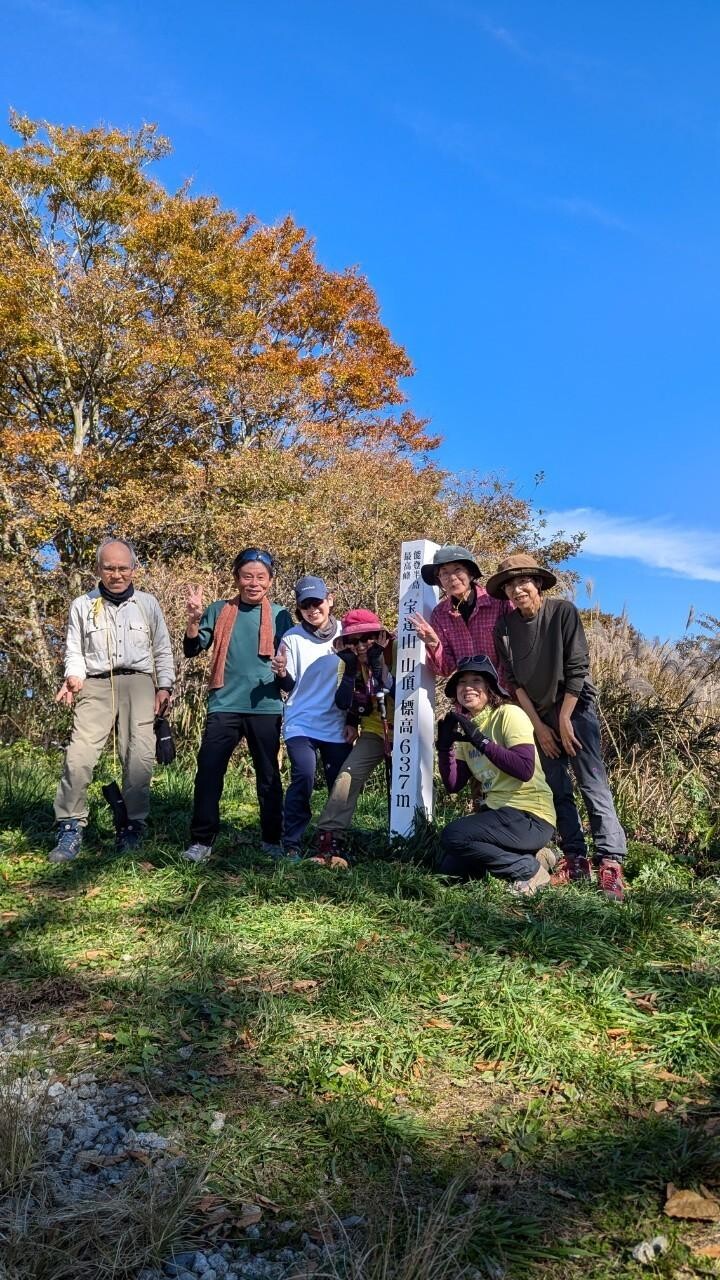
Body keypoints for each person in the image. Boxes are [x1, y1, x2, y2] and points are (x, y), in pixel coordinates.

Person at [487, 553, 627, 901]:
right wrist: (540, 727)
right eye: (509, 585)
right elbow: (513, 680)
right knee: (556, 786)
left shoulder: (562, 612)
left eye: (523, 582)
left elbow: (577, 667)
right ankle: (575, 857)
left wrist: (564, 719)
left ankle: (610, 861)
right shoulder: (503, 628)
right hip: (538, 716)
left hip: (574, 708)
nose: (517, 590)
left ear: (537, 584)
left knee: (592, 782)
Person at [50, 537, 175, 863]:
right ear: (98, 569)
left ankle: (132, 826)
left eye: (123, 568)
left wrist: (165, 687)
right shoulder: (82, 605)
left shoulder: (148, 604)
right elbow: (74, 650)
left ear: (134, 569)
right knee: (79, 755)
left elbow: (162, 648)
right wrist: (73, 676)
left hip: (139, 683)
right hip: (95, 683)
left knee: (139, 757)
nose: (116, 574)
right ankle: (70, 826)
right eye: (109, 568)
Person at [182, 548, 293, 863]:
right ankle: (202, 841)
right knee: (208, 772)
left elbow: (291, 663)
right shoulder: (219, 610)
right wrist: (193, 620)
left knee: (269, 776)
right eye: (247, 576)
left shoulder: (282, 615)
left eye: (261, 577)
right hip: (224, 704)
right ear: (236, 578)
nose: (253, 583)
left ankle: (272, 839)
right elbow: (193, 648)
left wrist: (285, 670)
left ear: (270, 581)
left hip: (267, 706)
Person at [437, 656, 557, 895]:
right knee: (450, 869)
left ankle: (529, 870)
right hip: (498, 813)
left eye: (476, 680)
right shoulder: (467, 729)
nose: (467, 687)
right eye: (461, 682)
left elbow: (524, 769)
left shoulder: (508, 714)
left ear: (490, 688)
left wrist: (480, 740)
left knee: (454, 835)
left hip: (530, 815)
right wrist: (444, 747)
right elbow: (453, 784)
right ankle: (535, 855)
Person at [270, 576, 352, 859]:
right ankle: (291, 840)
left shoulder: (346, 632)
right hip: (301, 720)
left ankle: (333, 840)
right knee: (303, 775)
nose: (312, 609)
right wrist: (281, 673)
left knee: (339, 783)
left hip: (336, 722)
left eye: (317, 602)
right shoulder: (292, 637)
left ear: (329, 600)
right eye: (305, 605)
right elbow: (289, 686)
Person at [313, 609, 395, 862]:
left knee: (401, 785)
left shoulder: (400, 651)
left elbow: (392, 689)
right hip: (373, 730)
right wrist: (350, 670)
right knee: (348, 774)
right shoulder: (348, 662)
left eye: (367, 637)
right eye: (353, 641)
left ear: (380, 636)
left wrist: (377, 659)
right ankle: (330, 836)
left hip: (406, 730)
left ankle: (404, 837)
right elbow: (344, 701)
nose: (360, 645)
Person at [409, 544, 509, 680]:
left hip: (506, 690)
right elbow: (444, 669)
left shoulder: (498, 601)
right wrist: (433, 643)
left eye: (458, 570)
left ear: (470, 573)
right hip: (469, 695)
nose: (452, 577)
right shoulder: (440, 614)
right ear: (439, 580)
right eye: (444, 573)